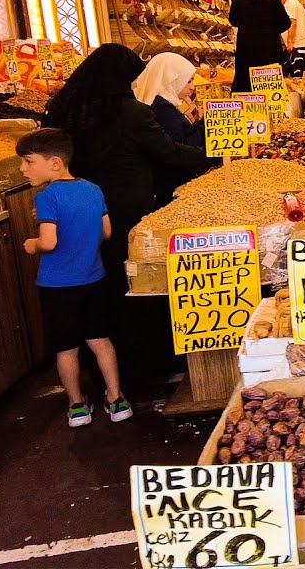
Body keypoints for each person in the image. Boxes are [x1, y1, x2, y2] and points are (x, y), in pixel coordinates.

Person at [44, 44, 208, 374]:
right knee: (132, 283)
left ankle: (98, 366)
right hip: (125, 211)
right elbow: (171, 153)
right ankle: (140, 364)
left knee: (94, 285)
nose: (134, 85)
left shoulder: (63, 111)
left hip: (78, 210)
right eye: (131, 78)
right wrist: (215, 152)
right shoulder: (131, 113)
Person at [17, 128, 133, 428]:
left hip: (57, 285)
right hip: (93, 278)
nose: (22, 169)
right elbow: (106, 231)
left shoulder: (46, 196)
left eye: (28, 161)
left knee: (66, 348)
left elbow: (49, 241)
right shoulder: (93, 189)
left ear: (55, 163)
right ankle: (116, 399)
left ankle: (77, 406)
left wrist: (33, 244)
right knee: (100, 340)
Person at [132, 52, 206, 207]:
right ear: (171, 79)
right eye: (188, 80)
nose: (192, 87)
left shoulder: (162, 104)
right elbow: (182, 146)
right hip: (170, 187)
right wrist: (207, 123)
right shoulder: (162, 109)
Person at [229, 0, 291, 93]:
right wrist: (271, 30)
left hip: (245, 46)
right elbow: (285, 23)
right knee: (268, 82)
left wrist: (246, 26)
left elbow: (233, 20)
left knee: (244, 77)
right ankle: (267, 102)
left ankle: (243, 101)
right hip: (269, 48)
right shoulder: (273, 0)